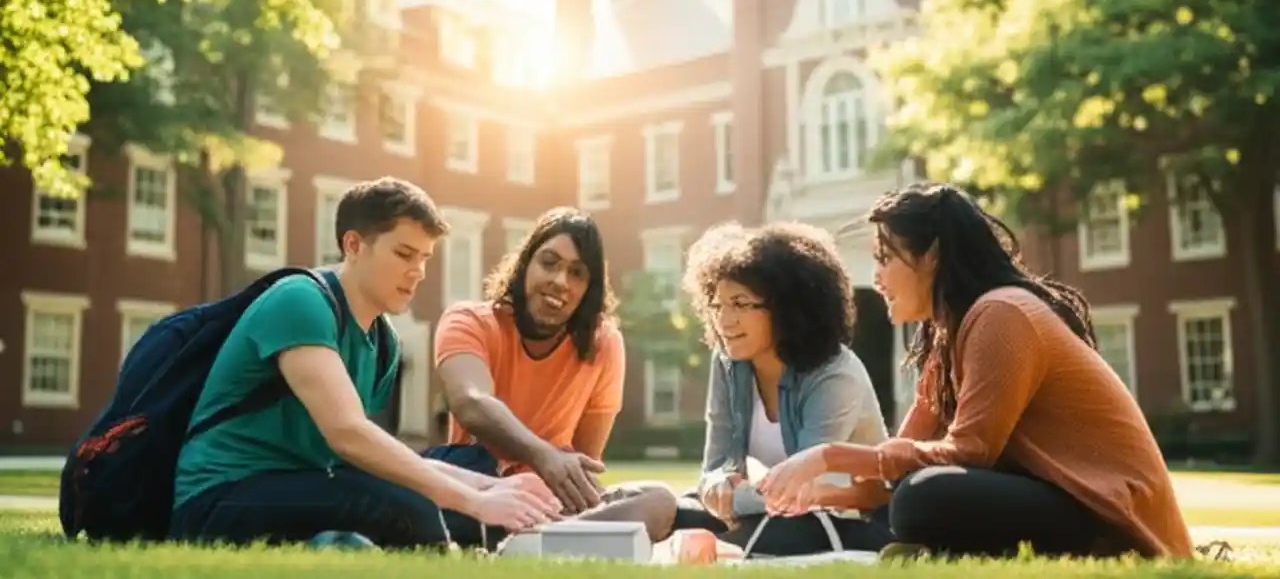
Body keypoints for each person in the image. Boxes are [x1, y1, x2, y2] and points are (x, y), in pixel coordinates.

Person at [758, 182, 1194, 559]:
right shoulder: (949, 338)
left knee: (921, 498)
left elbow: (969, 453)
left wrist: (827, 456)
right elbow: (905, 453)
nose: (876, 277)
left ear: (931, 256)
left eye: (886, 258)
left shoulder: (1001, 314)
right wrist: (828, 495)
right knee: (910, 495)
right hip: (1062, 505)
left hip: (1107, 514)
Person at [169, 177, 559, 548]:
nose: (417, 272)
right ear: (353, 245)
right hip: (220, 498)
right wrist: (474, 501)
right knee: (408, 509)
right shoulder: (301, 301)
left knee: (466, 481)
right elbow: (348, 434)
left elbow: (366, 457)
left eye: (424, 258)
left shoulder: (382, 341)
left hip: (302, 484)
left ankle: (338, 547)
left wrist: (489, 487)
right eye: (404, 254)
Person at [433, 207, 678, 544]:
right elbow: (471, 403)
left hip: (552, 499)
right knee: (436, 475)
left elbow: (585, 462)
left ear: (588, 289)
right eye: (549, 263)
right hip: (482, 483)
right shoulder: (469, 321)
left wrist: (565, 488)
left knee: (659, 501)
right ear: (525, 265)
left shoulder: (603, 344)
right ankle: (543, 539)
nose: (560, 281)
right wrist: (543, 456)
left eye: (577, 273)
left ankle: (539, 539)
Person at [672, 222, 894, 556]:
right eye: (718, 305)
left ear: (787, 308)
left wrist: (729, 496)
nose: (724, 321)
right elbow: (715, 466)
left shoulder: (835, 374)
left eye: (740, 304)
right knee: (658, 503)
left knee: (777, 534)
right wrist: (719, 484)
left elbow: (795, 492)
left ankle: (711, 550)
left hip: (841, 521)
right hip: (762, 511)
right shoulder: (729, 361)